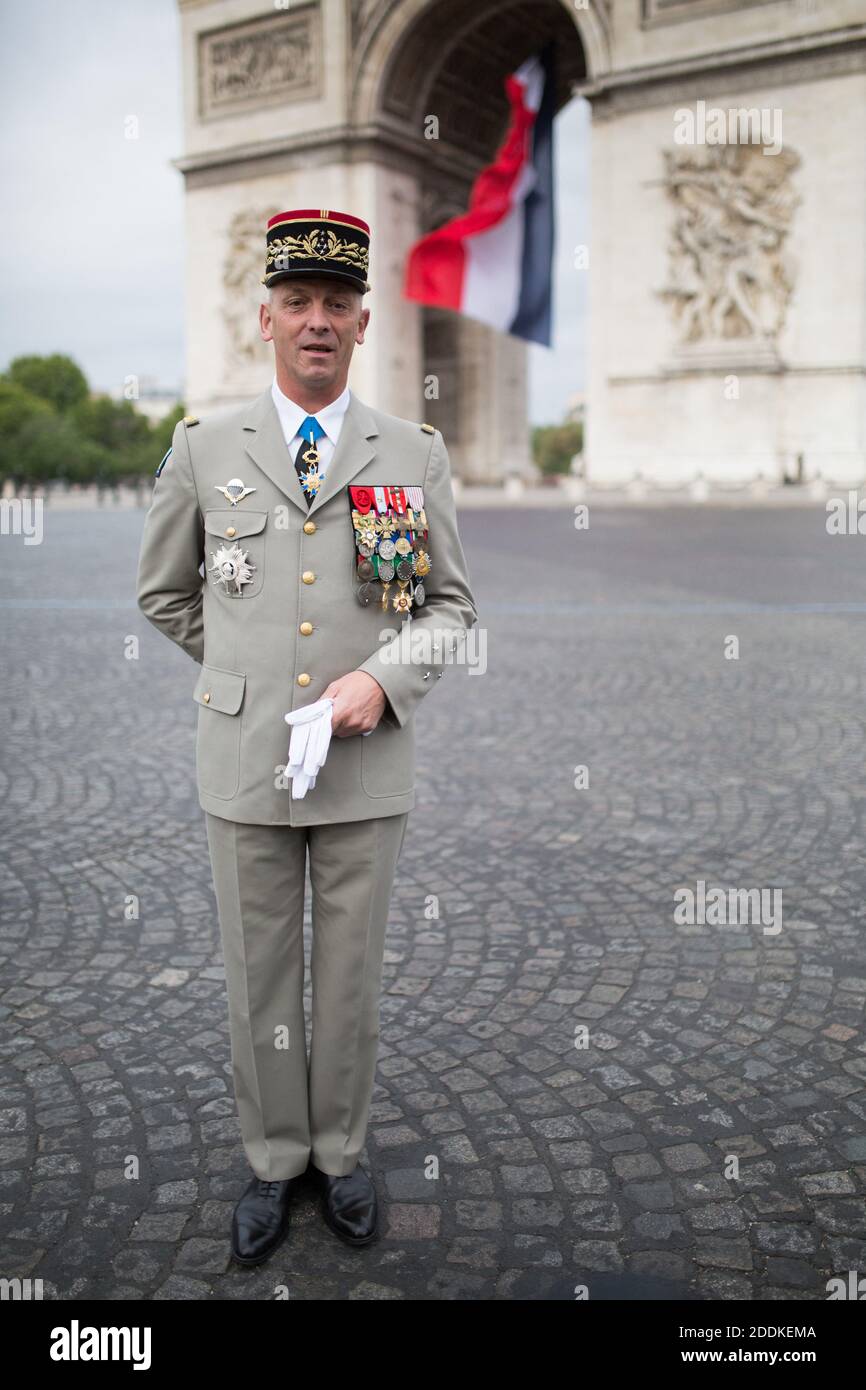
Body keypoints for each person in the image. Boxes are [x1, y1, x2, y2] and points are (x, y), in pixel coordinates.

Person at [136, 208, 477, 1264]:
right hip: (245, 765)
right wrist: (245, 687)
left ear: (362, 322)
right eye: (298, 303)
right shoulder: (204, 448)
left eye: (335, 305)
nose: (315, 322)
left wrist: (377, 683)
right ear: (265, 318)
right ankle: (275, 1157)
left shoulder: (407, 455)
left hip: (366, 764)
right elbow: (164, 593)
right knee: (259, 972)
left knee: (351, 975)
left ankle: (340, 1152)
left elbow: (448, 610)